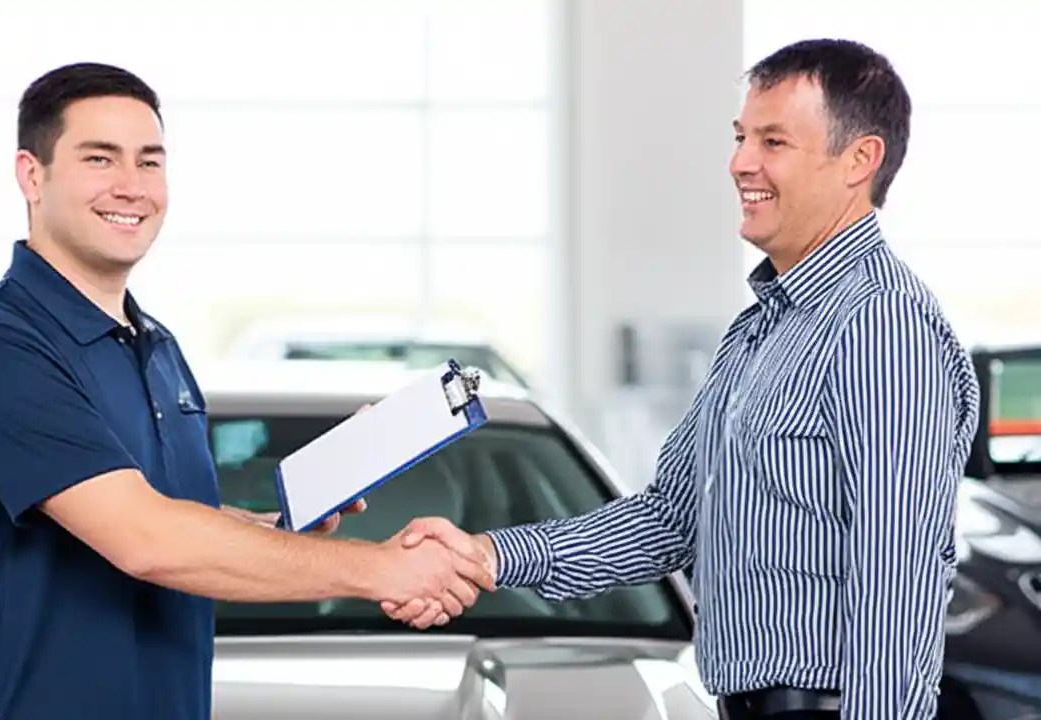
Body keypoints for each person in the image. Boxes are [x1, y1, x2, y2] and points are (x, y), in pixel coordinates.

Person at [388, 39, 981, 720]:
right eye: (740, 137)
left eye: (773, 141)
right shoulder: (765, 329)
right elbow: (667, 518)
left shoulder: (881, 326)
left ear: (859, 161)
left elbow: (896, 573)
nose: (740, 163)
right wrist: (487, 556)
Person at [0, 62, 493, 720]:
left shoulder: (156, 346)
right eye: (99, 159)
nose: (131, 187)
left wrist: (279, 525)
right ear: (32, 174)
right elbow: (147, 537)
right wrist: (379, 569)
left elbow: (165, 513)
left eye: (149, 162)